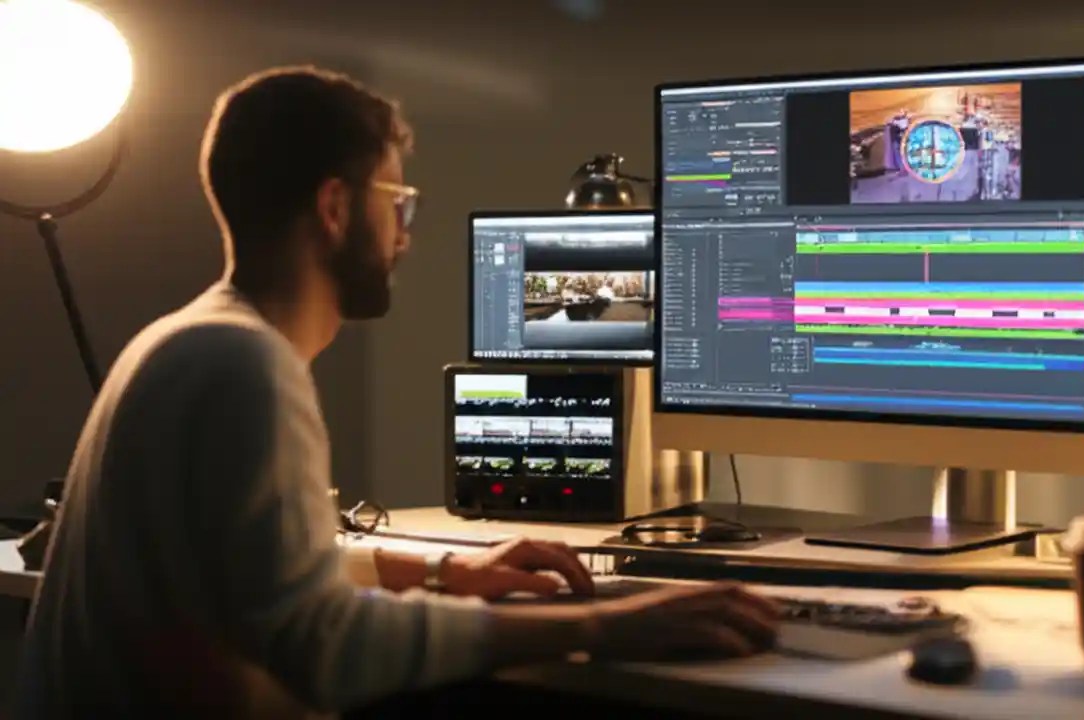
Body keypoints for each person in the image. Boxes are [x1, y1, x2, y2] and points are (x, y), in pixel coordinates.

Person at [16, 66, 780, 719]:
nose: (404, 234)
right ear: (337, 207)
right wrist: (599, 625)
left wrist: (446, 573)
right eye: (397, 203)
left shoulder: (182, 340)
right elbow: (321, 646)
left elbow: (261, 577)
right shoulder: (242, 366)